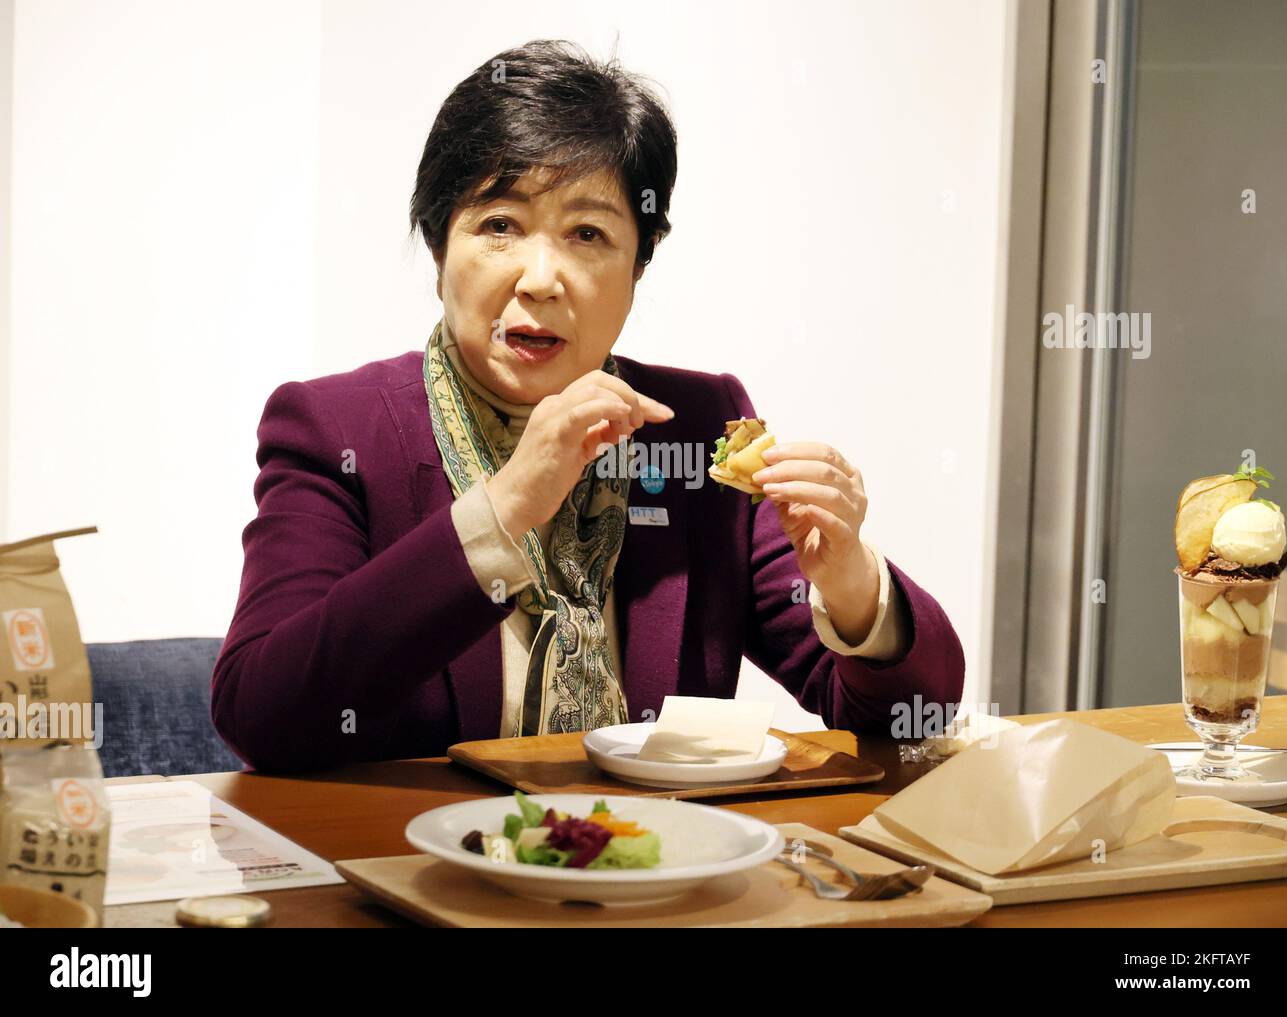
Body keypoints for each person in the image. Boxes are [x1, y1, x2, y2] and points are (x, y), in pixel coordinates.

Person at [211, 39, 964, 772]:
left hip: (656, 875)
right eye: (499, 224)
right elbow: (262, 714)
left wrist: (854, 586)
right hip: (417, 871)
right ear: (440, 250)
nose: (542, 278)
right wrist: (501, 510)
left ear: (640, 265)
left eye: (588, 233)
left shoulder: (696, 430)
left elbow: (912, 722)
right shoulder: (336, 429)